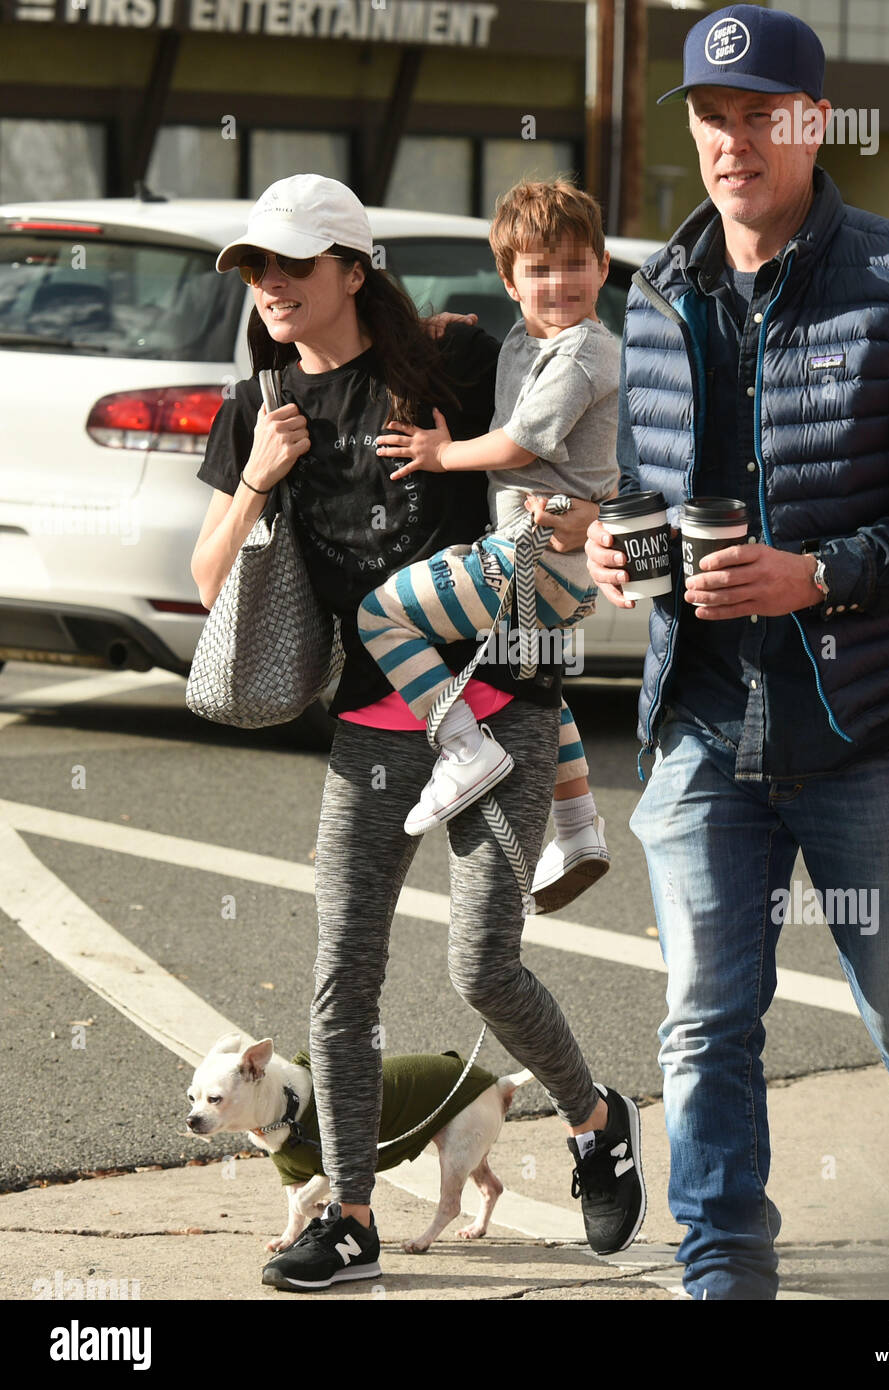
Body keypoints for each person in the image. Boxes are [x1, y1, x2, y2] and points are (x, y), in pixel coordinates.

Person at [585, 5, 889, 1301]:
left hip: (870, 727)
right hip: (705, 718)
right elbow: (646, 475)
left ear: (814, 122)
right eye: (712, 118)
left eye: (758, 115)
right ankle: (723, 1265)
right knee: (704, 1019)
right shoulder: (659, 289)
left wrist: (818, 574)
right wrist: (621, 550)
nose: (732, 142)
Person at [191, 174, 645, 1291]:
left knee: (482, 966)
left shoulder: (447, 359)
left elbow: (569, 473)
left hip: (504, 699)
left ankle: (594, 1118)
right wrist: (258, 479)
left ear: (354, 269)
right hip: (372, 726)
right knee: (340, 978)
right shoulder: (258, 403)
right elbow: (208, 580)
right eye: (257, 268)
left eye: (295, 265)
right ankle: (347, 1214)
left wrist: (582, 519)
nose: (273, 287)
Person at [361, 178, 616, 912]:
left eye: (575, 265)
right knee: (534, 681)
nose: (558, 284)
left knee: (383, 616)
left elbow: (518, 441)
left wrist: (441, 456)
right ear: (510, 279)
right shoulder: (524, 339)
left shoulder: (583, 354)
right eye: (538, 269)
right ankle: (578, 829)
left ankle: (464, 747)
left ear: (602, 267)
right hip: (548, 564)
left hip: (535, 557)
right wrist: (440, 329)